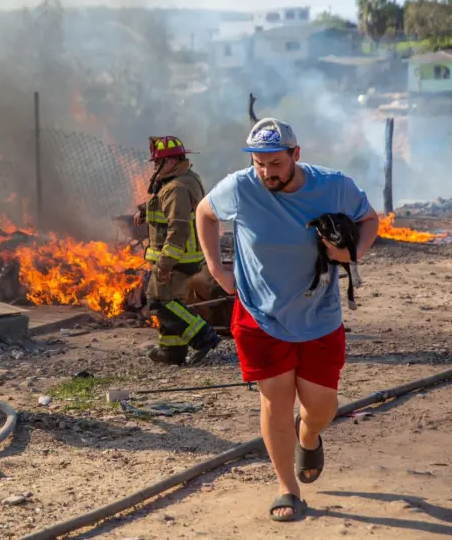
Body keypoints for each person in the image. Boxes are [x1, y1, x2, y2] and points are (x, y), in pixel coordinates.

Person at [195, 118, 379, 521]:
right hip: (259, 314)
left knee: (321, 406)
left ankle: (308, 435)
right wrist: (217, 270)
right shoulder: (240, 187)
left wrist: (352, 255)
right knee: (275, 400)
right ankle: (287, 490)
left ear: (296, 154)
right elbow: (204, 213)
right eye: (259, 164)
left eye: (275, 163)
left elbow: (370, 219)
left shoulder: (334, 186)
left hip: (319, 316)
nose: (267, 173)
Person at [134, 135, 221, 366]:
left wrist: (165, 263)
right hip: (184, 257)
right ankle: (171, 352)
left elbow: (178, 228)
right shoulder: (186, 178)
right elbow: (166, 204)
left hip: (176, 259)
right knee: (171, 302)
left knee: (160, 302)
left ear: (171, 161)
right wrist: (144, 211)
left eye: (157, 162)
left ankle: (204, 336)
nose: (154, 167)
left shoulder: (176, 188)